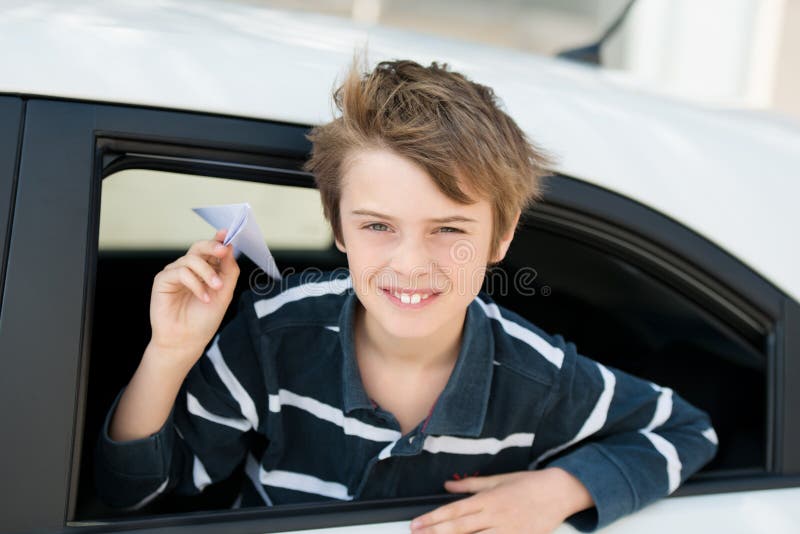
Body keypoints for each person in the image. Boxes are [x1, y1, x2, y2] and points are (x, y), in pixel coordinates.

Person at [95, 59, 718, 533]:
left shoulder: (538, 375)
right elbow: (137, 495)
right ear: (339, 229)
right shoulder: (273, 335)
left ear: (501, 236)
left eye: (449, 229)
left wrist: (559, 490)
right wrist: (170, 353)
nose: (412, 265)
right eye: (377, 226)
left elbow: (685, 431)